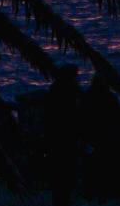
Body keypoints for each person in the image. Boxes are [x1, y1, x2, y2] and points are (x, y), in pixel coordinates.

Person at [80, 67, 120, 203]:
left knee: (91, 169)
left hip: (92, 139)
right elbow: (116, 119)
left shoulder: (86, 96)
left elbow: (82, 119)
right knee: (104, 169)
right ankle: (102, 196)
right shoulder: (111, 98)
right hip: (105, 139)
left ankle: (90, 194)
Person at [46, 63, 83, 206]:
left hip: (57, 138)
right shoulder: (71, 92)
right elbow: (75, 116)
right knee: (66, 171)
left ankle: (60, 199)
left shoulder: (54, 91)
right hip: (66, 138)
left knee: (59, 173)